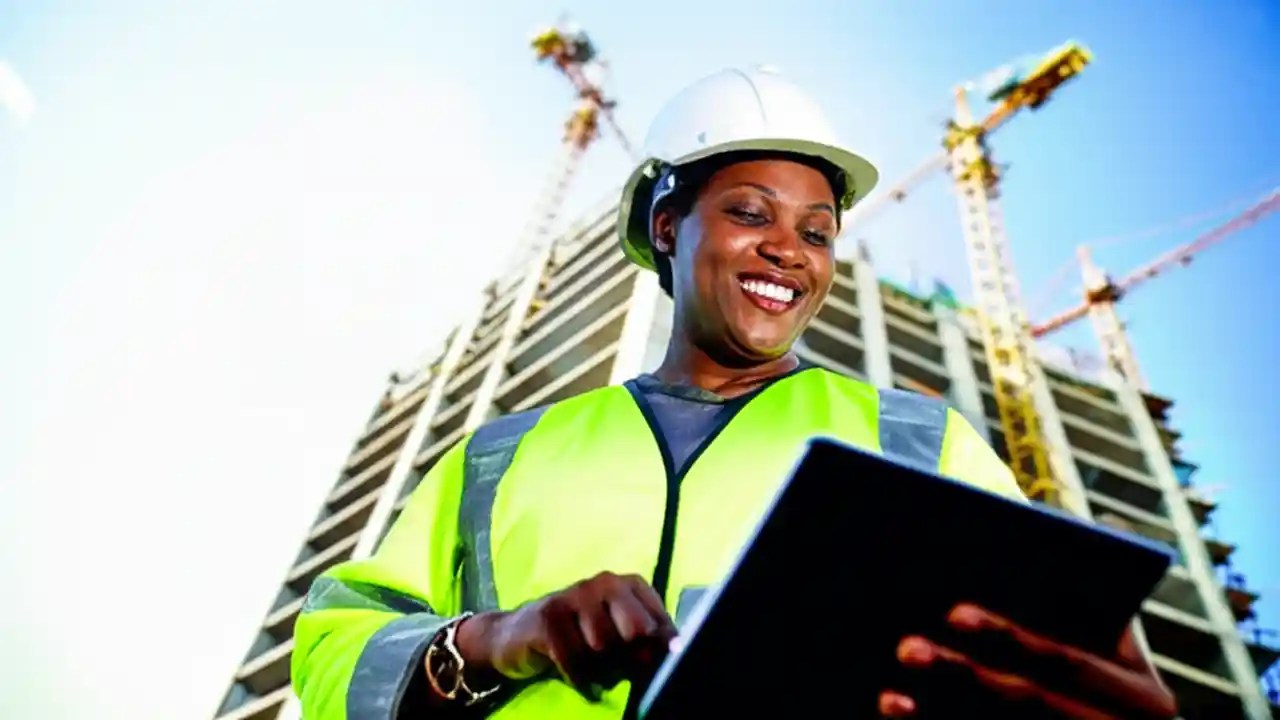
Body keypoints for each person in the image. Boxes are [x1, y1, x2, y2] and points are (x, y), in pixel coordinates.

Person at [291, 67, 1178, 720]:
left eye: (818, 232)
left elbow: (1019, 672)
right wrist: (502, 636)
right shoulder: (501, 454)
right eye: (750, 212)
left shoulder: (920, 439)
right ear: (668, 226)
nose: (790, 250)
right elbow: (335, 652)